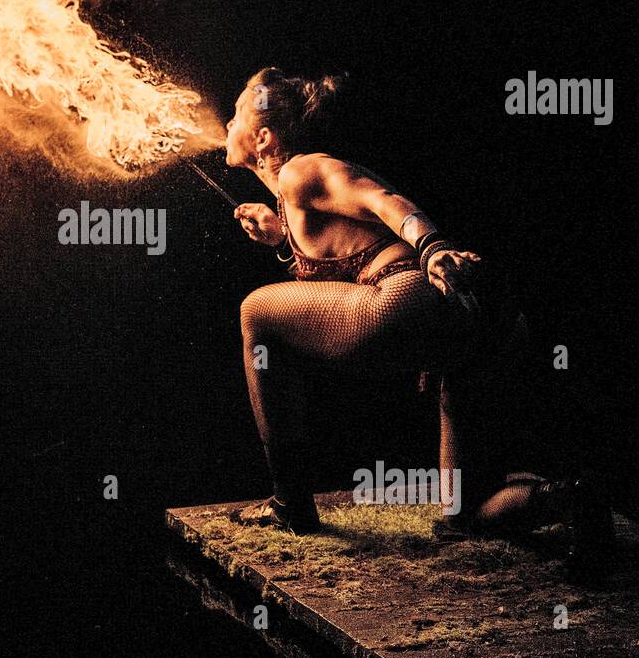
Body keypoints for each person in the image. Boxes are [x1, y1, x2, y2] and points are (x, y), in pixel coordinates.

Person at [223, 67, 611, 566]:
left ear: (263, 137)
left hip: (414, 295)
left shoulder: (302, 169)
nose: (224, 122)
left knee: (255, 311)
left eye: (235, 113)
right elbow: (347, 248)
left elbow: (381, 201)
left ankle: (289, 503)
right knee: (464, 512)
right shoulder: (293, 198)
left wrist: (432, 246)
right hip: (481, 324)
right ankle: (574, 496)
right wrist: (282, 237)